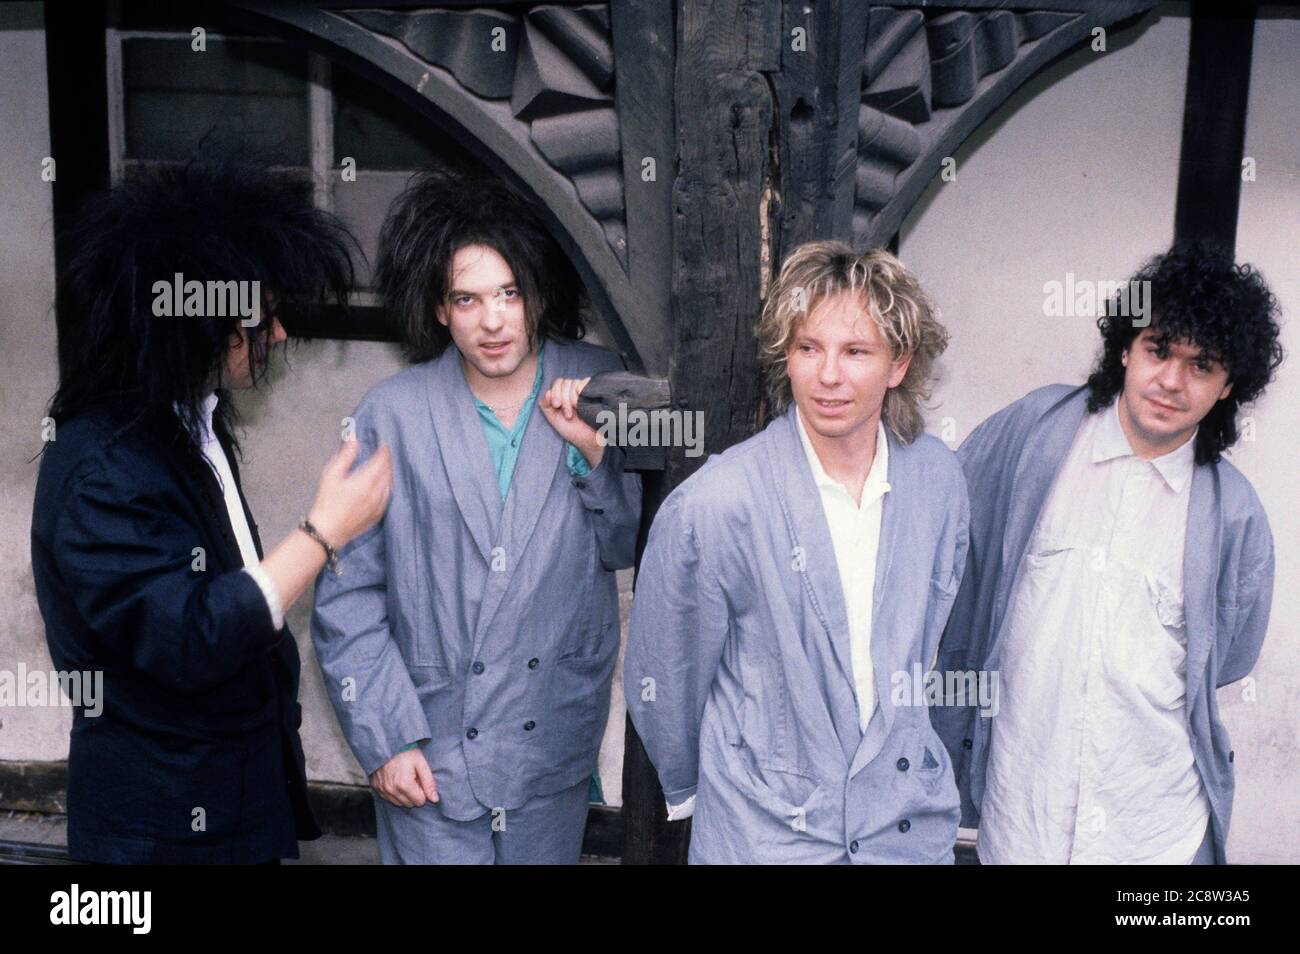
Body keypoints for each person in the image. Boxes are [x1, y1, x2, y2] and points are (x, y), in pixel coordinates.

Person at [31, 156, 393, 864]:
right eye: (260, 319)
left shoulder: (188, 419)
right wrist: (322, 534)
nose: (279, 335)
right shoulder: (102, 467)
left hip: (233, 803)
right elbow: (188, 637)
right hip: (161, 830)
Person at [311, 168, 641, 864]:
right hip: (429, 746)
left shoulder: (602, 385)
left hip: (548, 736)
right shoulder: (391, 413)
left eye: (509, 294)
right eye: (467, 299)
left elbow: (627, 545)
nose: (492, 321)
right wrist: (385, 737)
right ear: (437, 309)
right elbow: (347, 598)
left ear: (539, 294)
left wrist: (592, 456)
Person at [934, 241, 1284, 864]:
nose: (1171, 381)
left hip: (1153, 835)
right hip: (1020, 819)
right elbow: (945, 552)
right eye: (1158, 349)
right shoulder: (1032, 436)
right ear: (1125, 347)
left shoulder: (1236, 517)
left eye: (1202, 365)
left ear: (1230, 385)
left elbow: (1227, 659)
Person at [624, 242, 968, 863]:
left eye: (856, 351)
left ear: (899, 364)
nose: (827, 374)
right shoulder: (718, 503)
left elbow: (929, 642)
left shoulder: (939, 479)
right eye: (808, 348)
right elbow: (665, 681)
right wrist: (728, 786)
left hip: (902, 831)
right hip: (766, 836)